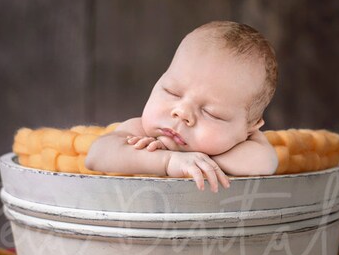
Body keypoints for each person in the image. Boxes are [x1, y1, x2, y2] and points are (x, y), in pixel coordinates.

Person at [85, 21, 278, 192]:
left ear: (250, 126)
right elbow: (96, 156)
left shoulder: (248, 142)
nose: (182, 112)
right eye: (172, 92)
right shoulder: (140, 132)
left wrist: (197, 159)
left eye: (211, 113)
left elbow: (266, 163)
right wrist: (168, 160)